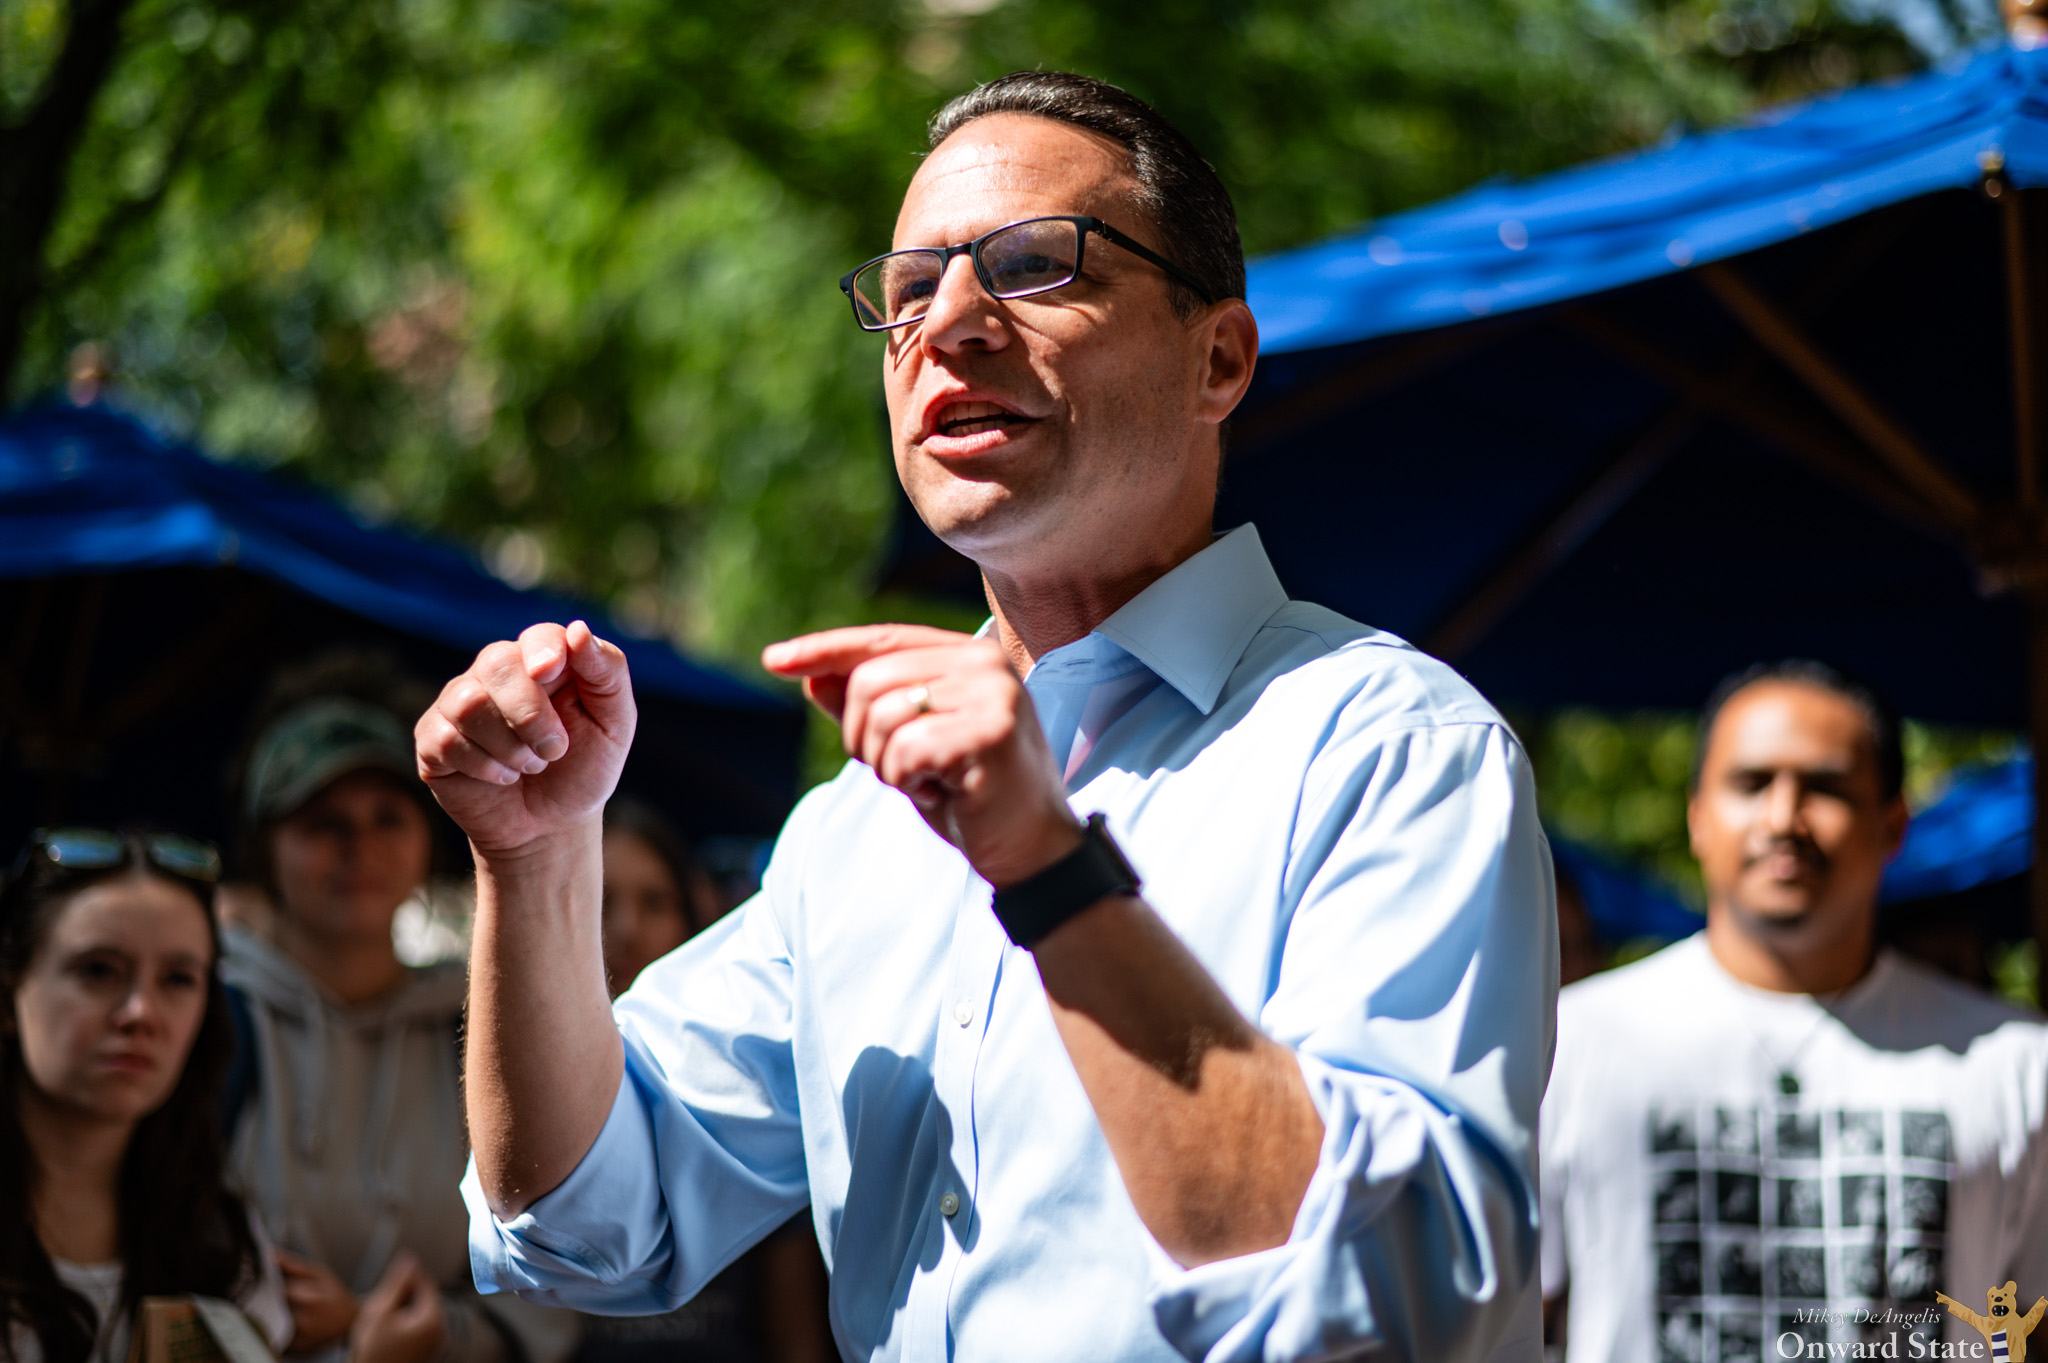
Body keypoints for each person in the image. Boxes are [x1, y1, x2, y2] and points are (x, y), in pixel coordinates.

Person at [421, 72, 1557, 1362]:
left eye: (1032, 268)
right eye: (906, 291)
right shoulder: (851, 832)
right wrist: (531, 858)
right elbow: (578, 1220)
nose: (946, 320)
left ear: (1218, 357)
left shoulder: (1392, 744)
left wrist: (1047, 865)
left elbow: (1404, 1297)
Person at [1539, 661, 2048, 1363]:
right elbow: (1508, 1316)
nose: (1784, 818)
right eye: (1751, 784)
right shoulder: (1570, 1043)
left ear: (1892, 822)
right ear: (1697, 816)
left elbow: (2028, 1326)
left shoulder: (2018, 1063)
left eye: (1826, 787)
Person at [221, 685, 577, 1363]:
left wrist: (411, 1330)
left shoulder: (479, 1029)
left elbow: (553, 1284)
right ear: (267, 847)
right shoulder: (210, 1020)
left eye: (388, 817)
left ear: (426, 841)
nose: (359, 846)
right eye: (322, 821)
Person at [0, 827, 442, 1363]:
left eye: (179, 979)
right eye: (98, 971)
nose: (141, 1012)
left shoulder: (222, 1242)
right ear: (9, 996)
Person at [576, 800, 833, 1363]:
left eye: (654, 902)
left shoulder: (754, 1088)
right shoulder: (518, 1102)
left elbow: (798, 1339)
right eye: (600, 902)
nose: (625, 929)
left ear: (693, 917)